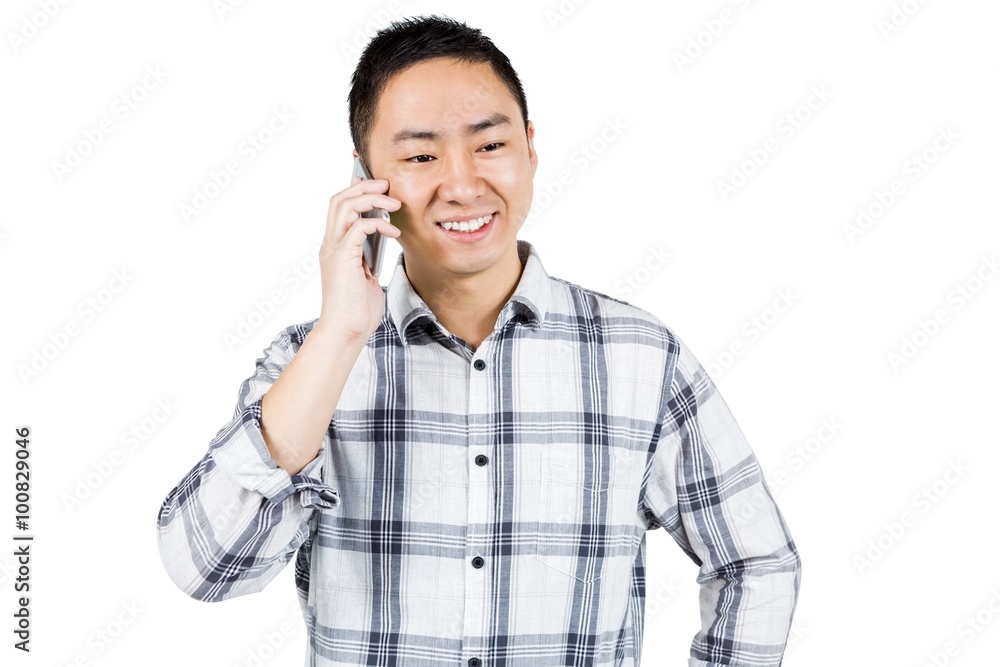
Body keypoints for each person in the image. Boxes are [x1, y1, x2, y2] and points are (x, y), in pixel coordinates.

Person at [156, 15, 801, 667]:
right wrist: (341, 332)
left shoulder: (639, 356)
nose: (462, 184)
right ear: (364, 177)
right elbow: (207, 566)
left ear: (528, 147)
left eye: (489, 145)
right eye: (419, 156)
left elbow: (756, 562)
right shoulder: (311, 362)